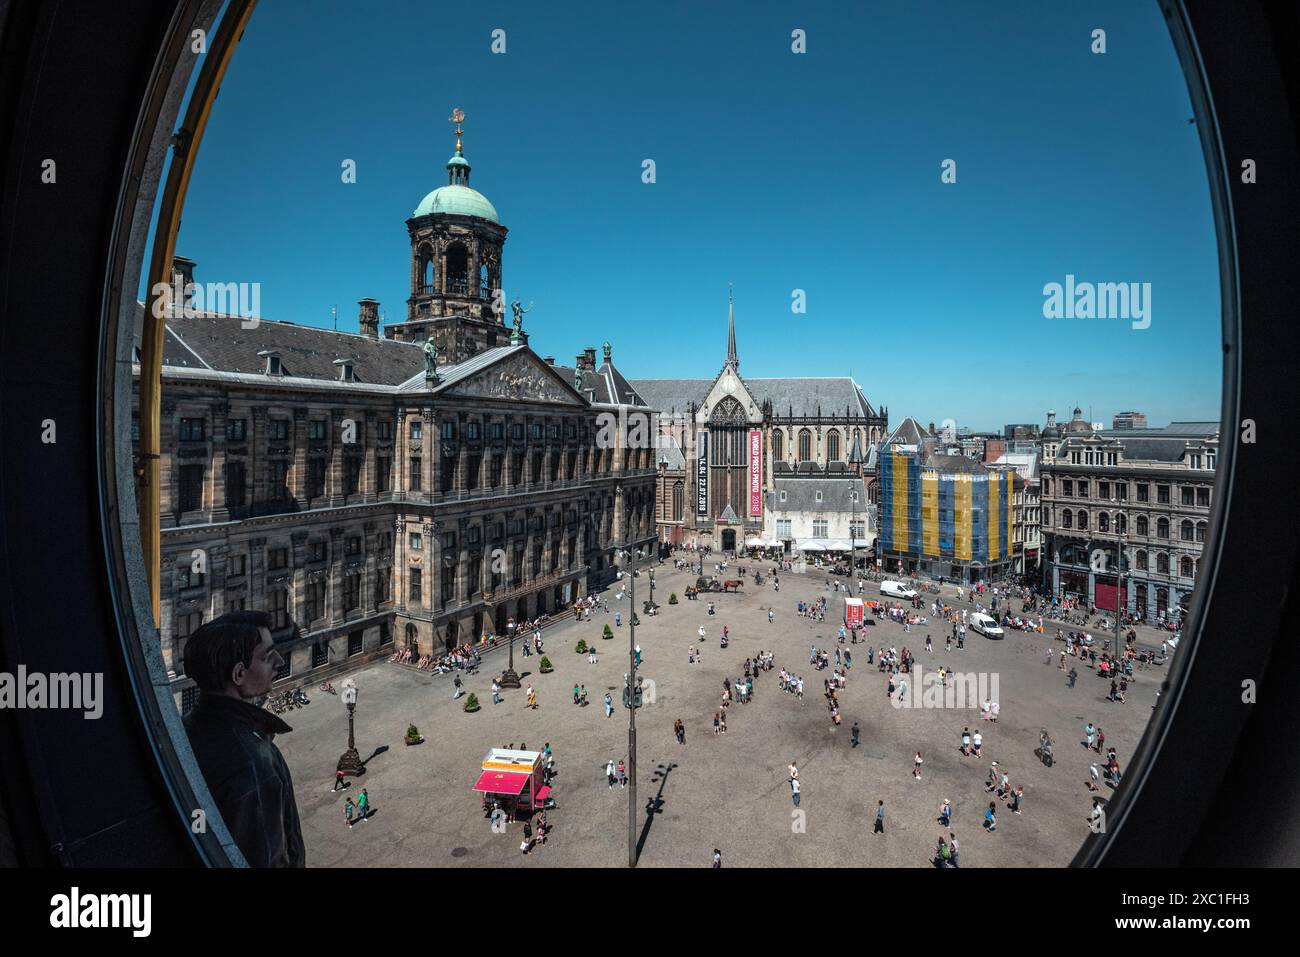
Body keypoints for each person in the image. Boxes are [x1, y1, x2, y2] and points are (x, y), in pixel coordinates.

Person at [181, 611, 305, 867]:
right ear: (239, 674)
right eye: (267, 656)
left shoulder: (184, 731)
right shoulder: (251, 764)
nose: (280, 661)